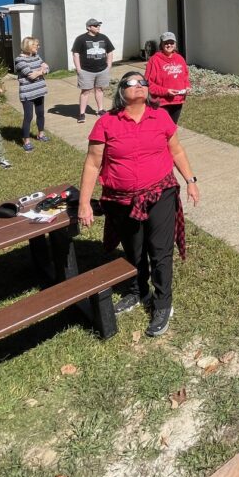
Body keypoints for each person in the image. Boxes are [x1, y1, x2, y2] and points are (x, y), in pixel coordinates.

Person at [77, 70, 201, 337]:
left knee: (159, 250)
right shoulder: (107, 123)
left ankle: (163, 303)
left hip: (161, 193)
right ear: (121, 92)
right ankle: (138, 291)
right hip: (122, 199)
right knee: (133, 250)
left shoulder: (161, 116)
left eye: (143, 82)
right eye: (132, 83)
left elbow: (176, 150)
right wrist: (84, 203)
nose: (139, 86)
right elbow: (92, 163)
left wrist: (190, 180)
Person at [72, 18, 115, 124]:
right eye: (95, 26)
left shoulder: (104, 38)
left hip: (102, 70)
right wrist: (78, 69)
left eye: (98, 26)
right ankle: (82, 114)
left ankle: (100, 110)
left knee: (99, 90)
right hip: (86, 71)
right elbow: (75, 53)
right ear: (88, 27)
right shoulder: (81, 39)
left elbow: (109, 52)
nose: (98, 27)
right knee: (85, 92)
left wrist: (108, 66)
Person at [146, 31, 191, 124]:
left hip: (177, 101)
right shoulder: (154, 60)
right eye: (166, 43)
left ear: (175, 44)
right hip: (161, 103)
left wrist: (187, 86)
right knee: (162, 128)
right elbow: (148, 84)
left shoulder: (180, 58)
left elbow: (185, 77)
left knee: (172, 128)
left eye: (171, 42)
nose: (169, 45)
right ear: (161, 44)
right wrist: (166, 92)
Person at [15, 36, 51, 152]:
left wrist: (42, 71)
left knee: (40, 113)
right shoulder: (20, 60)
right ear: (29, 46)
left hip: (39, 90)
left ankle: (41, 134)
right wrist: (42, 70)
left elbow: (48, 68)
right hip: (28, 93)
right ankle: (26, 141)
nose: (38, 47)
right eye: (36, 45)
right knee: (28, 116)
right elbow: (31, 75)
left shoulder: (36, 56)